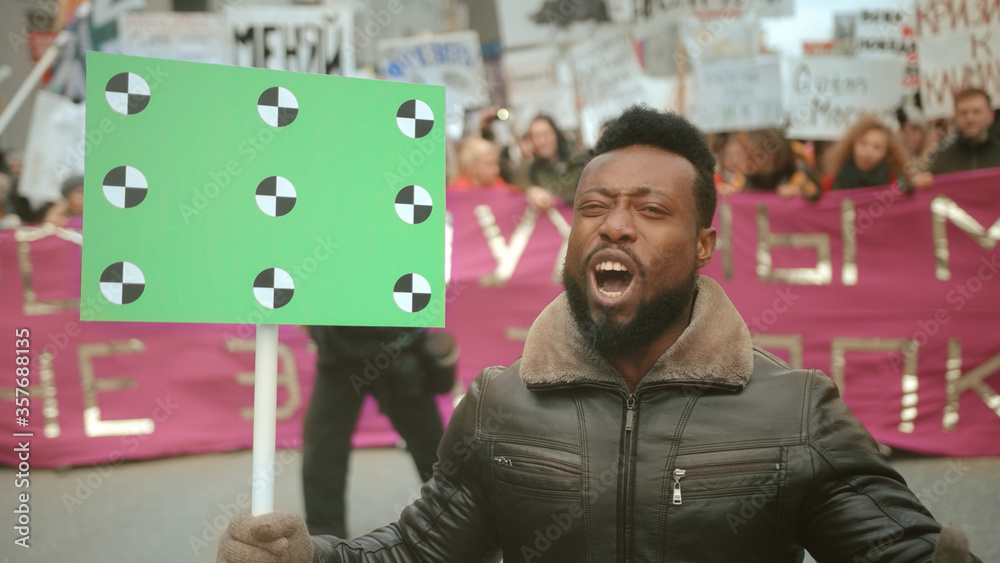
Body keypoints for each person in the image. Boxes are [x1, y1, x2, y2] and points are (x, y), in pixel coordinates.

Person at [218, 106, 979, 563]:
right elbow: (416, 553)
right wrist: (309, 556)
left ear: (705, 244)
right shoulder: (496, 406)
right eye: (595, 207)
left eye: (650, 209)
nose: (616, 223)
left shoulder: (797, 412)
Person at [300, 326, 454, 538]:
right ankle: (324, 540)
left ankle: (460, 522)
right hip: (345, 346)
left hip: (397, 345)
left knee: (431, 447)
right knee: (323, 448)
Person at [822, 113, 931, 192]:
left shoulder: (897, 182)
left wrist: (922, 186)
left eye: (877, 147)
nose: (868, 151)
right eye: (863, 143)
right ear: (852, 145)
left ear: (887, 153)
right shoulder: (831, 183)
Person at [516, 114, 586, 210]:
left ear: (556, 134)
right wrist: (531, 191)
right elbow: (523, 188)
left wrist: (558, 201)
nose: (541, 141)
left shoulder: (578, 161)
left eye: (546, 134)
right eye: (535, 136)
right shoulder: (531, 170)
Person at [929, 87, 1000, 174]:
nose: (970, 118)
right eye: (963, 113)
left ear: (991, 115)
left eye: (976, 111)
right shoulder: (942, 160)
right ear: (955, 117)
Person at [742, 128, 821, 200]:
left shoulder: (797, 171)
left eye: (762, 151)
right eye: (750, 153)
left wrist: (798, 191)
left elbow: (814, 194)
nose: (759, 159)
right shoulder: (746, 178)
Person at [447, 137, 513, 192]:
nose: (496, 170)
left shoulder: (499, 184)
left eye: (496, 163)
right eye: (488, 164)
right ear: (471, 166)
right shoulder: (457, 190)